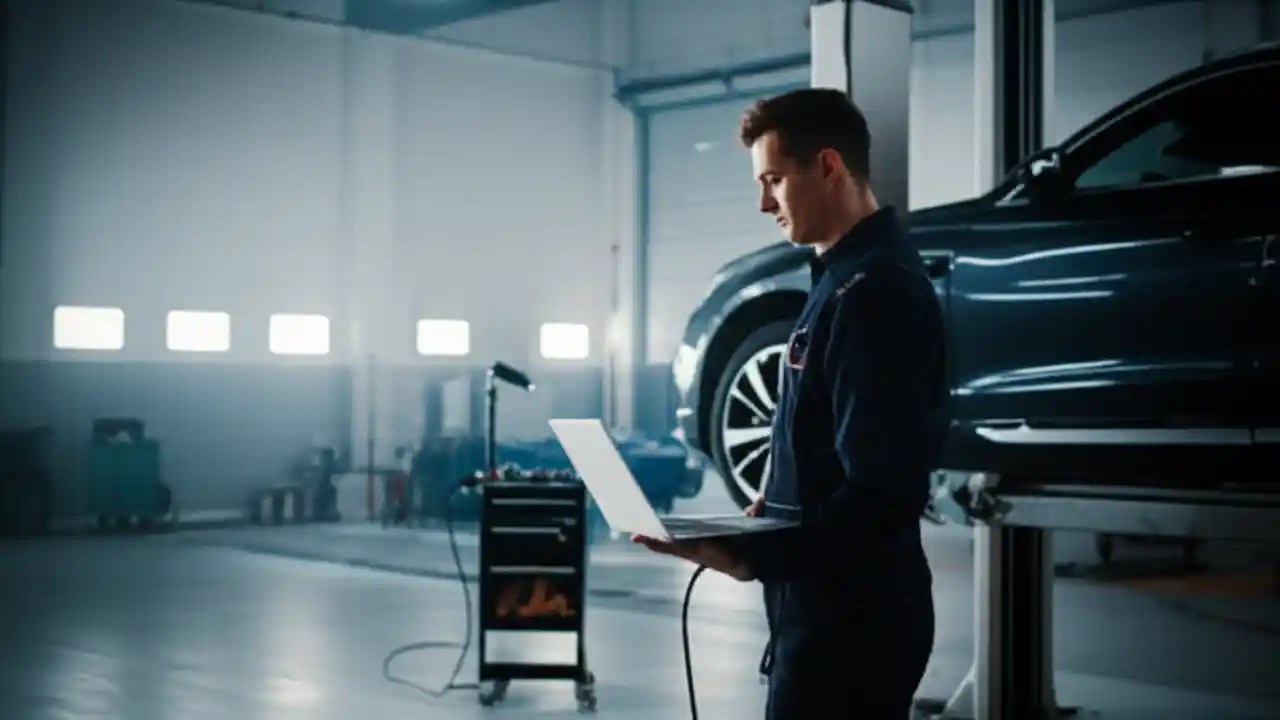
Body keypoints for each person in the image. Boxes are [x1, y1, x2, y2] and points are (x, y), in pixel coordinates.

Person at [634, 88, 949, 718]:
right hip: (828, 610)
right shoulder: (837, 279)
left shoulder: (872, 295)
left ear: (829, 166)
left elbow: (883, 494)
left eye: (773, 180)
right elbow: (832, 446)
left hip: (854, 625)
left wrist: (755, 555)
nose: (762, 203)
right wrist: (774, 505)